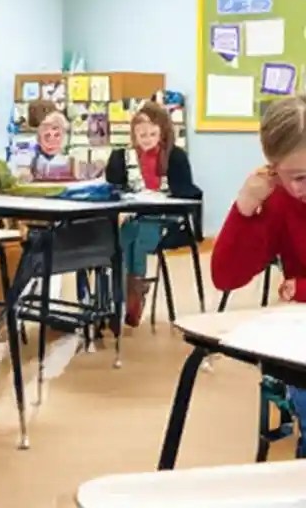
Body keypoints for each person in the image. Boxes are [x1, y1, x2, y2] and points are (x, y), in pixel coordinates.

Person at [210, 93, 306, 457]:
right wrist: (245, 208)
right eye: (297, 178)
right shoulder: (280, 201)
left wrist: (302, 289)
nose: (304, 188)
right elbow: (226, 276)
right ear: (273, 171)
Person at [103, 101, 201, 327]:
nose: (146, 139)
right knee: (123, 238)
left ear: (162, 133)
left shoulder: (175, 157)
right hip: (134, 215)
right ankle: (126, 293)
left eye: (152, 134)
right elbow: (113, 187)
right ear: (134, 135)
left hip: (166, 220)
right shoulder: (123, 157)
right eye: (141, 135)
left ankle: (133, 295)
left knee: (139, 238)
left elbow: (186, 192)